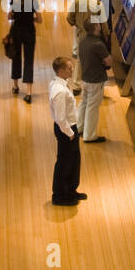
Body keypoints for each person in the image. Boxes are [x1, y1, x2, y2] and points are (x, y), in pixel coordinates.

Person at [48, 56, 85, 206]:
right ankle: (59, 195)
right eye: (69, 67)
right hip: (66, 130)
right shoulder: (60, 92)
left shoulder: (59, 84)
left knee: (74, 161)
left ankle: (70, 190)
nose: (72, 69)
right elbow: (60, 118)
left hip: (69, 127)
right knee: (64, 163)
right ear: (61, 71)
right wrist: (70, 133)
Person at [68, 0, 107, 97]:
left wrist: (77, 25)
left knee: (80, 59)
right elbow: (104, 23)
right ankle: (90, 85)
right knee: (94, 60)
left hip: (80, 34)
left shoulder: (78, 0)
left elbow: (69, 17)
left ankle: (76, 85)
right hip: (94, 37)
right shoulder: (98, 4)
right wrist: (106, 35)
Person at [7, 0, 41, 102]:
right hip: (29, 32)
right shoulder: (33, 1)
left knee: (16, 58)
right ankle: (29, 92)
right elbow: (40, 19)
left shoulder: (14, 0)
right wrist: (31, 18)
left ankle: (15, 86)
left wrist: (17, 16)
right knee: (29, 60)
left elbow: (9, 16)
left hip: (16, 32)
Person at [78, 26, 112, 144]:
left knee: (84, 103)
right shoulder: (98, 44)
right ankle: (89, 135)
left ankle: (79, 127)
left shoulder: (82, 42)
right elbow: (108, 61)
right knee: (93, 107)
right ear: (96, 29)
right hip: (96, 79)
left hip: (85, 77)